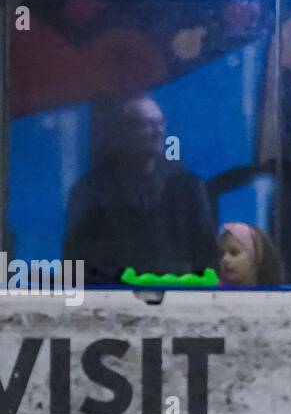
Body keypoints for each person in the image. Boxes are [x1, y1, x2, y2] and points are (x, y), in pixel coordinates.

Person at [62, 93, 216, 284]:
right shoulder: (92, 190)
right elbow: (77, 259)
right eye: (147, 124)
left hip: (179, 298)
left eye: (160, 123)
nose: (158, 131)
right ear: (124, 131)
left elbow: (206, 254)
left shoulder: (187, 187)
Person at [217, 222, 283, 287]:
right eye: (221, 254)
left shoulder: (276, 295)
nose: (224, 259)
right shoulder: (212, 293)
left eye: (234, 253)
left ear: (256, 258)